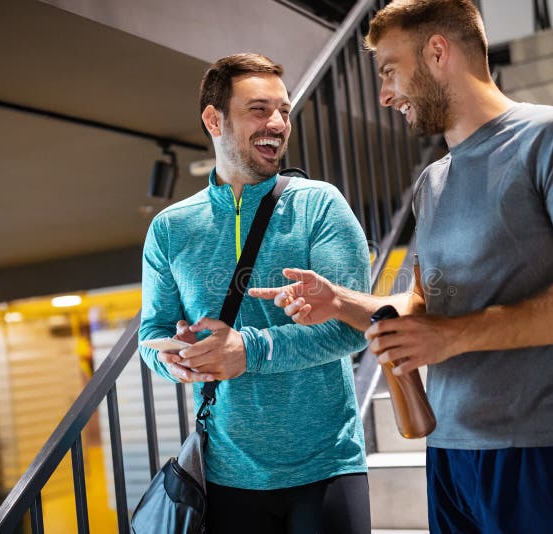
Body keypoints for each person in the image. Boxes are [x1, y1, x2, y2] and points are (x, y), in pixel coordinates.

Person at [250, 1, 553, 532]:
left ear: (438, 52)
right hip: (449, 456)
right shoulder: (432, 181)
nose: (385, 95)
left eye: (390, 71)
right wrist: (339, 302)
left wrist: (454, 337)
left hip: (543, 453)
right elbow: (423, 303)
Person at [138, 53, 372, 534]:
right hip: (225, 473)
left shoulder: (320, 206)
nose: (279, 123)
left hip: (326, 465)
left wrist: (249, 350)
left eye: (284, 111)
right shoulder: (171, 228)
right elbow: (152, 331)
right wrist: (172, 358)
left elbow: (355, 328)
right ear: (213, 119)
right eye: (259, 110)